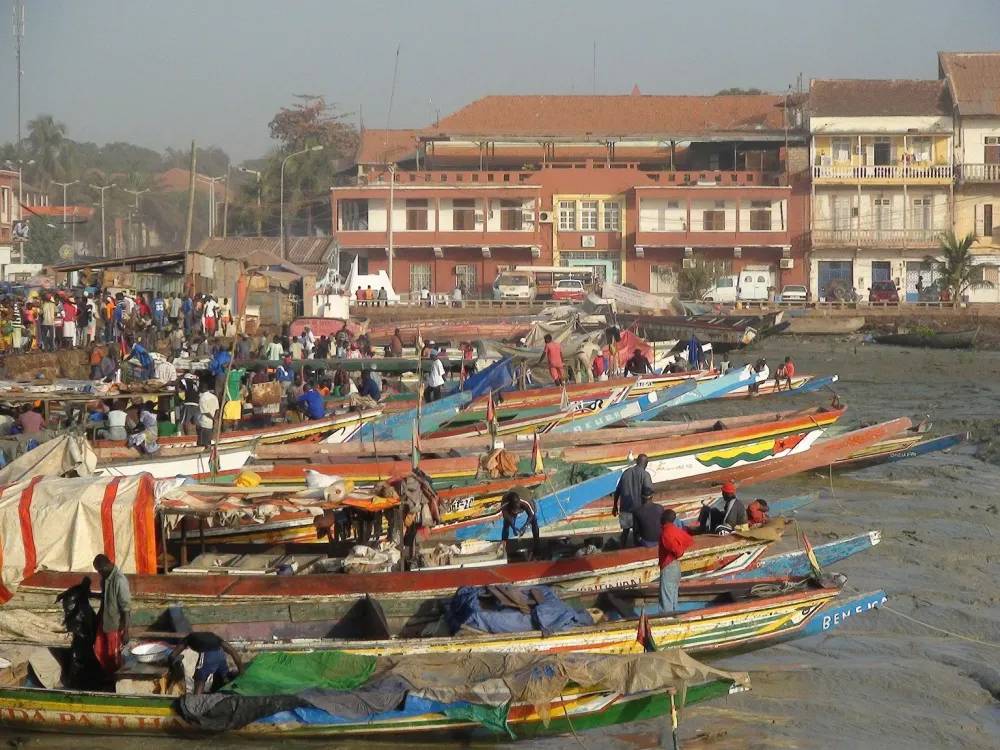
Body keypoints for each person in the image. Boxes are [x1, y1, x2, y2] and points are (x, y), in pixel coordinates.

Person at [168, 632, 244, 694]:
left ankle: (196, 703)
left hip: (208, 655)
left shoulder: (188, 638)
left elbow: (173, 655)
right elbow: (233, 652)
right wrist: (241, 671)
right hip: (221, 654)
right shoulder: (214, 636)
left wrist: (171, 667)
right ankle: (220, 696)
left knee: (199, 679)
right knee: (222, 677)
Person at [92, 554, 130, 677]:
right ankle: (108, 676)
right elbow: (104, 598)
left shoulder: (119, 580)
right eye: (98, 572)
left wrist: (126, 631)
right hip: (105, 622)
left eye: (100, 571)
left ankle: (116, 680)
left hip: (116, 625)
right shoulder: (104, 579)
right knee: (99, 650)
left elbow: (126, 608)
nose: (99, 574)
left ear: (108, 565)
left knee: (114, 656)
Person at [612, 454, 653, 547]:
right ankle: (636, 553)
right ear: (646, 464)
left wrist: (614, 505)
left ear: (636, 461)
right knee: (637, 533)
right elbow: (648, 493)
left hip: (625, 509)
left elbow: (617, 490)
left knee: (625, 532)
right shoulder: (645, 475)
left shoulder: (626, 472)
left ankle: (621, 551)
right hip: (639, 510)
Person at [658, 509, 692, 613]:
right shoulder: (675, 529)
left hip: (669, 566)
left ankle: (666, 621)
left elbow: (676, 550)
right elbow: (689, 540)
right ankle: (674, 617)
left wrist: (678, 551)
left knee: (666, 597)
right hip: (675, 566)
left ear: (664, 518)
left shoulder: (666, 533)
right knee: (673, 596)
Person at [500, 488, 539, 554]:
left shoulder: (526, 501)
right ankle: (504, 547)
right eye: (515, 507)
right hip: (510, 503)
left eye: (518, 505)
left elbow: (531, 515)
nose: (517, 509)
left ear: (519, 502)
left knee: (534, 520)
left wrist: (525, 526)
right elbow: (507, 517)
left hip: (526, 497)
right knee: (506, 525)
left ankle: (537, 544)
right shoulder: (505, 504)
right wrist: (513, 527)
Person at [197, 382, 220, 448]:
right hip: (211, 424)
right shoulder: (214, 397)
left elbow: (205, 412)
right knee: (208, 441)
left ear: (202, 389)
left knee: (202, 444)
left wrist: (213, 419)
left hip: (204, 423)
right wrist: (215, 419)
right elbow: (217, 409)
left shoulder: (202, 398)